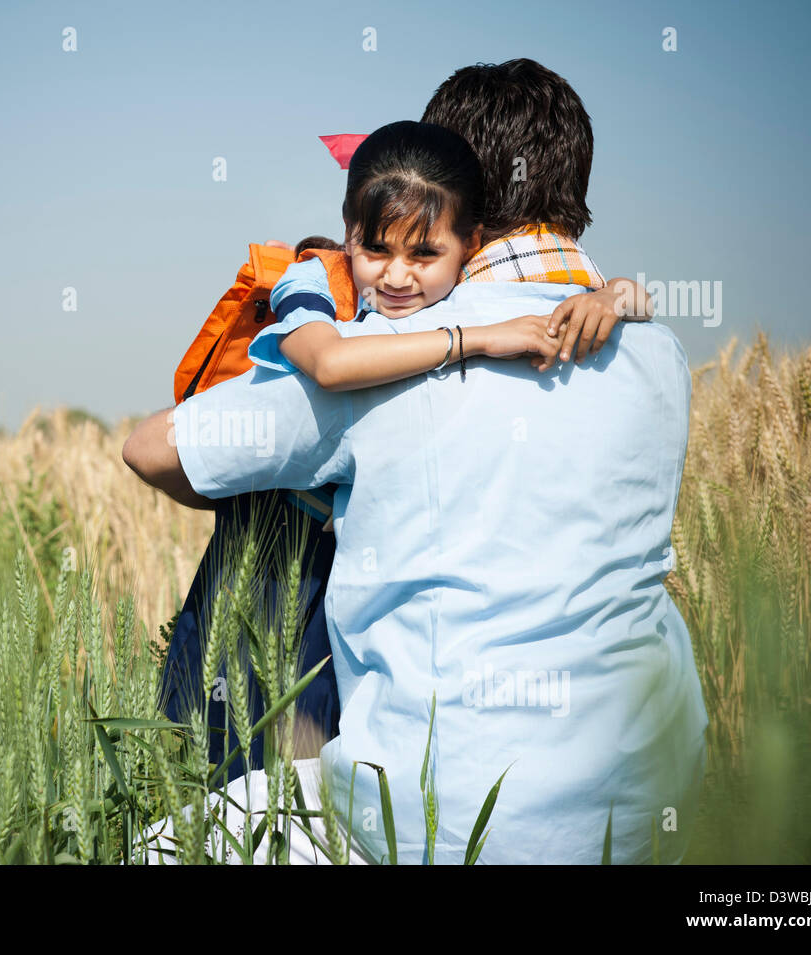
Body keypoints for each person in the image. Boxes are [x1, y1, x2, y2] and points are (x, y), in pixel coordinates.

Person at [124, 59, 709, 864]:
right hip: (643, 819)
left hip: (432, 820)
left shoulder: (389, 353)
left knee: (166, 843)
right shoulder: (658, 352)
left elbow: (155, 448)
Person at [157, 120, 647, 786]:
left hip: (347, 580)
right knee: (232, 779)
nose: (395, 275)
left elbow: (554, 279)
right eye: (375, 248)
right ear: (350, 234)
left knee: (310, 780)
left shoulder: (452, 293)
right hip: (270, 566)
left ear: (471, 250)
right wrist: (476, 338)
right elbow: (329, 364)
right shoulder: (314, 283)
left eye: (423, 254)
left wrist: (614, 292)